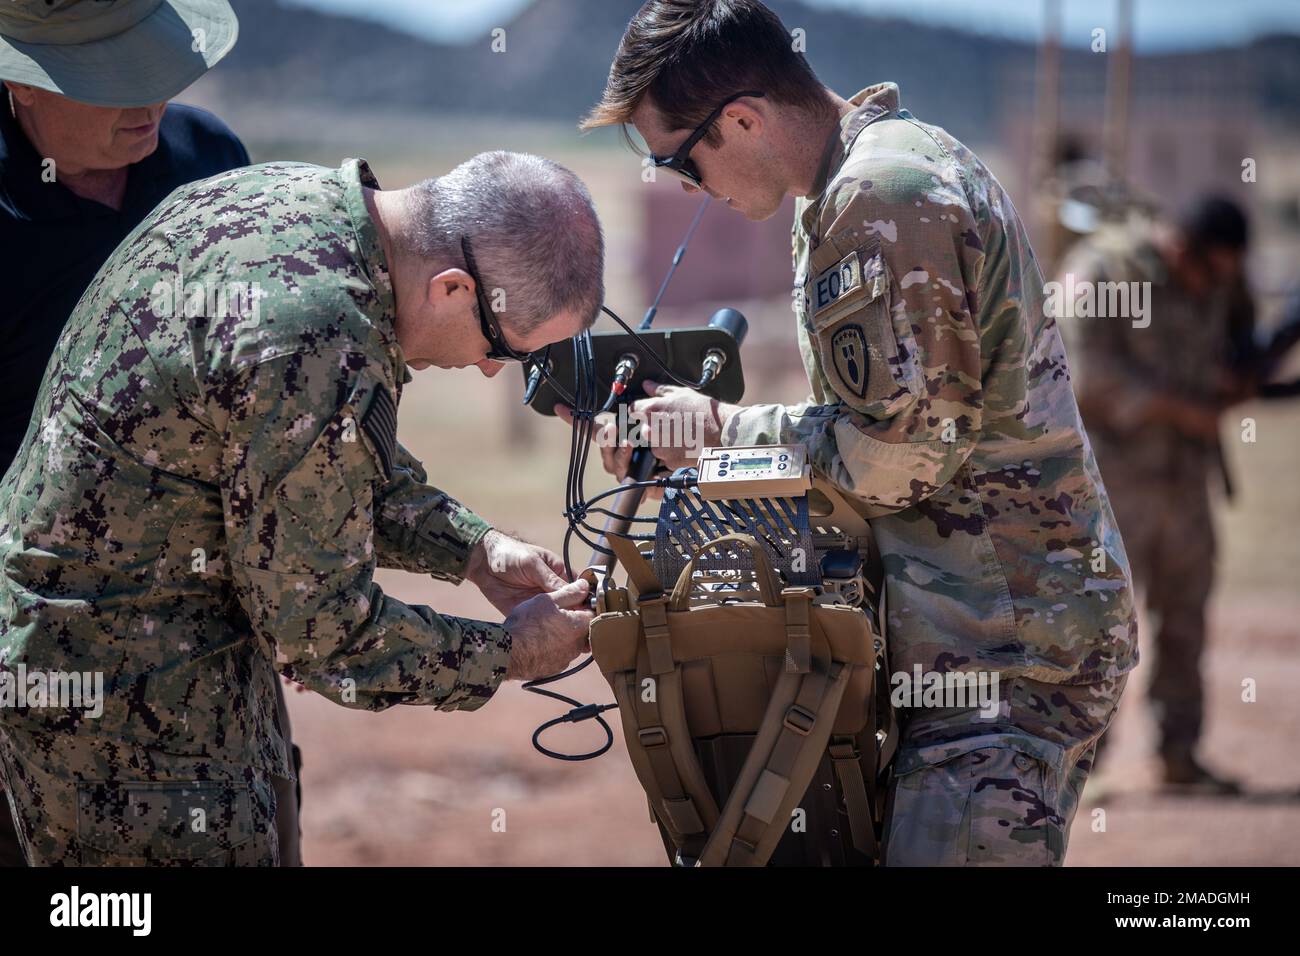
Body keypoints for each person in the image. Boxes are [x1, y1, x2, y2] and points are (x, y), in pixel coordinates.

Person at [575, 0, 1137, 865]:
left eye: (679, 163)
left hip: (1008, 641)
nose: (690, 191)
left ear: (742, 120)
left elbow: (896, 459)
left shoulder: (883, 196)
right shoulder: (857, 185)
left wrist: (722, 430)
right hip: (974, 629)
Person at [0, 150, 602, 865]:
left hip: (122, 672)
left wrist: (476, 549)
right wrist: (510, 652)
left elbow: (321, 465)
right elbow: (325, 637)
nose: (489, 368)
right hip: (129, 726)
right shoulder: (315, 335)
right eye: (502, 345)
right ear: (451, 289)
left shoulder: (294, 208)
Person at [0, 0, 297, 865]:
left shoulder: (211, 162)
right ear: (21, 83)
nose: (149, 102)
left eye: (158, 70)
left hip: (210, 638)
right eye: (113, 81)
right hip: (33, 648)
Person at [1059, 195, 1253, 793]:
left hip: (1186, 481)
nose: (1210, 285)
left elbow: (1229, 346)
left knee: (1186, 620)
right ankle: (1079, 765)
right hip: (1115, 487)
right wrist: (1181, 408)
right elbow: (1086, 379)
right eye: (1204, 271)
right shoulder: (1103, 273)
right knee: (1101, 623)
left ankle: (1179, 755)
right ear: (1178, 247)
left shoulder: (1219, 280)